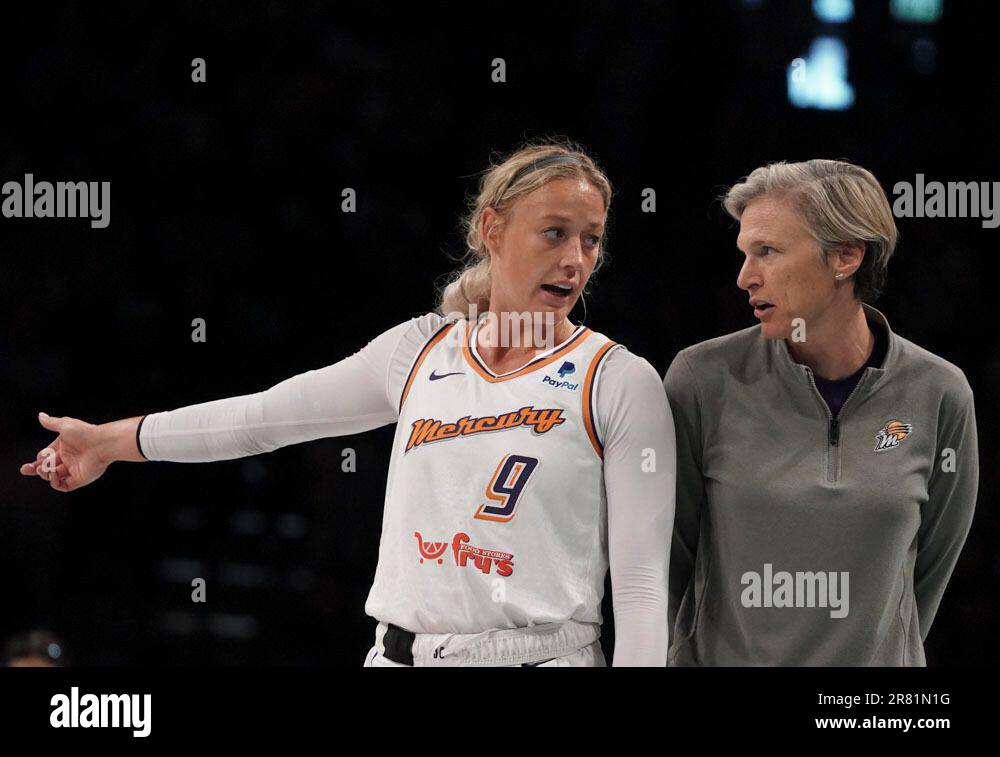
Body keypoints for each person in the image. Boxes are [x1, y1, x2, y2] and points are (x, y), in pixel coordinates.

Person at [21, 140, 676, 667]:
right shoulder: (421, 350)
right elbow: (262, 418)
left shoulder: (618, 381)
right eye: (555, 232)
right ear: (492, 228)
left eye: (591, 239)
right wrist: (109, 440)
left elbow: (644, 586)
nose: (575, 260)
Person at [664, 159, 978, 666]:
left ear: (846, 257)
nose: (745, 277)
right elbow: (668, 564)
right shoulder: (701, 379)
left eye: (766, 252)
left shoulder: (940, 392)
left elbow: (928, 574)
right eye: (745, 254)